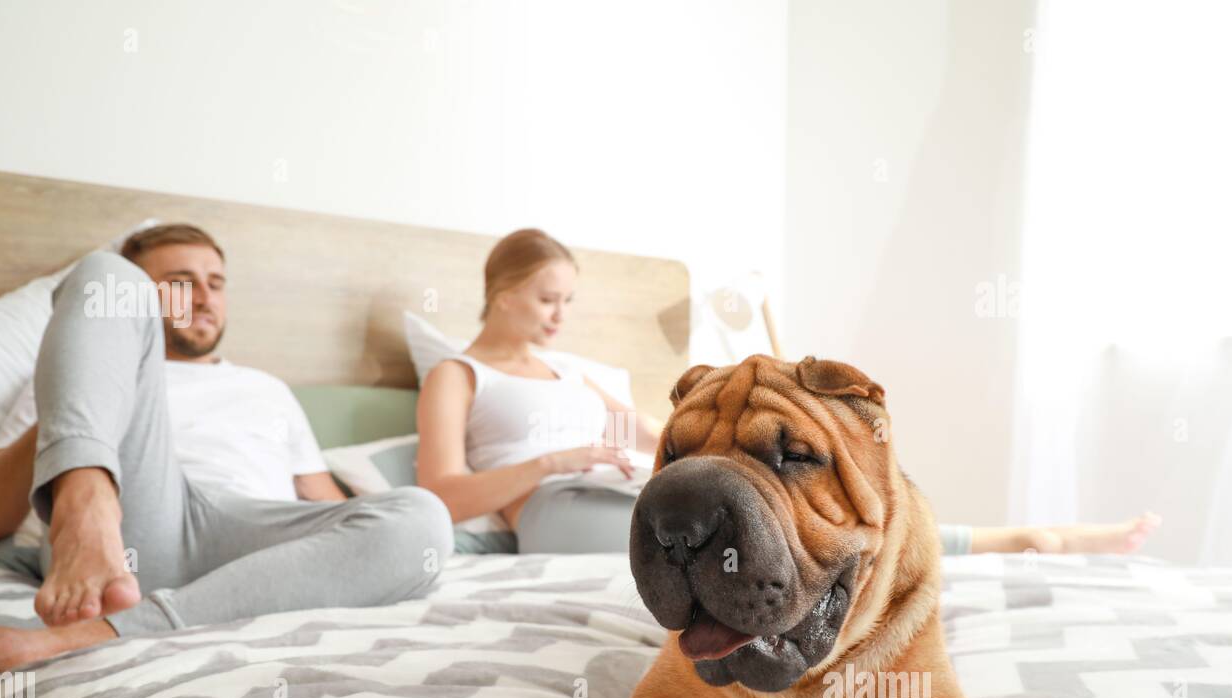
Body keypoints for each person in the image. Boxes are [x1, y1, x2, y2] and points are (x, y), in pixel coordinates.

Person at [416, 227, 1163, 557]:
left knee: (795, 508)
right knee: (763, 539)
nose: (560, 316)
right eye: (548, 298)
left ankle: (1017, 539)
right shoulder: (460, 376)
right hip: (549, 511)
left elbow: (664, 440)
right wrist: (555, 461)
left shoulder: (577, 375)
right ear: (501, 291)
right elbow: (440, 497)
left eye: (569, 301)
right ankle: (1012, 542)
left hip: (627, 492)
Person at [0, 224, 452, 681]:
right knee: (103, 272)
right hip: (137, 525)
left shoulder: (266, 388)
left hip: (251, 555)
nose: (203, 296)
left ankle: (71, 641)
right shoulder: (68, 374)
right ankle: (85, 503)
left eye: (216, 283)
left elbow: (322, 507)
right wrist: (79, 407)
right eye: (181, 282)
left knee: (422, 518)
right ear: (140, 299)